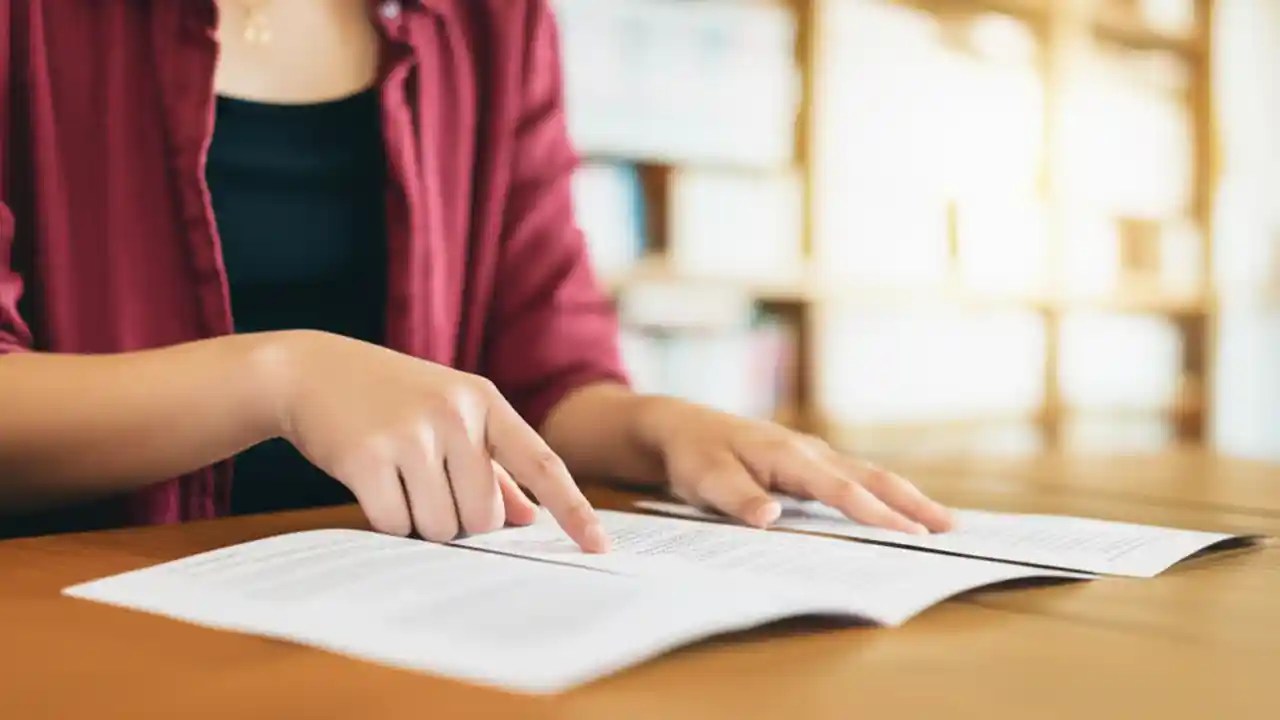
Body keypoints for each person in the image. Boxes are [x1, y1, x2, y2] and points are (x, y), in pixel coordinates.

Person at [0, 0, 952, 549]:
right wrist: (280, 380)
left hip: (395, 619)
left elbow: (539, 371)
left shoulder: (495, 20)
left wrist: (661, 429)